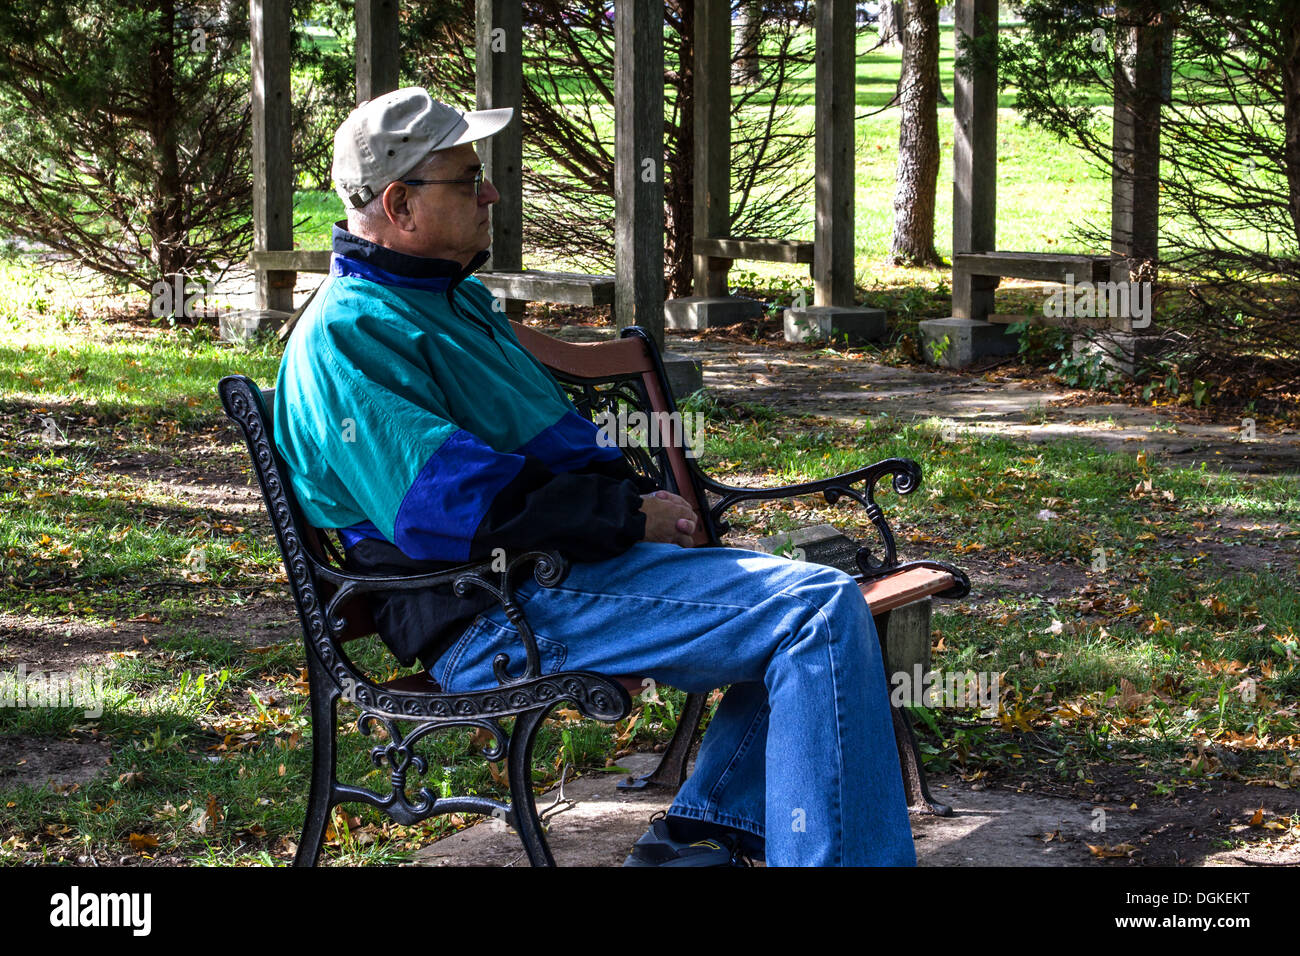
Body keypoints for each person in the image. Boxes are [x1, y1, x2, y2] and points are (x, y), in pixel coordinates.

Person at [274, 87, 915, 866]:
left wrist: (640, 505)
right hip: (492, 612)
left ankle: (705, 836)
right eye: (467, 178)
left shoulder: (451, 303)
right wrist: (625, 519)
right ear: (400, 202)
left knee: (809, 595)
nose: (490, 192)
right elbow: (460, 510)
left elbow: (562, 449)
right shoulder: (352, 331)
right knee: (812, 610)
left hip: (550, 579)